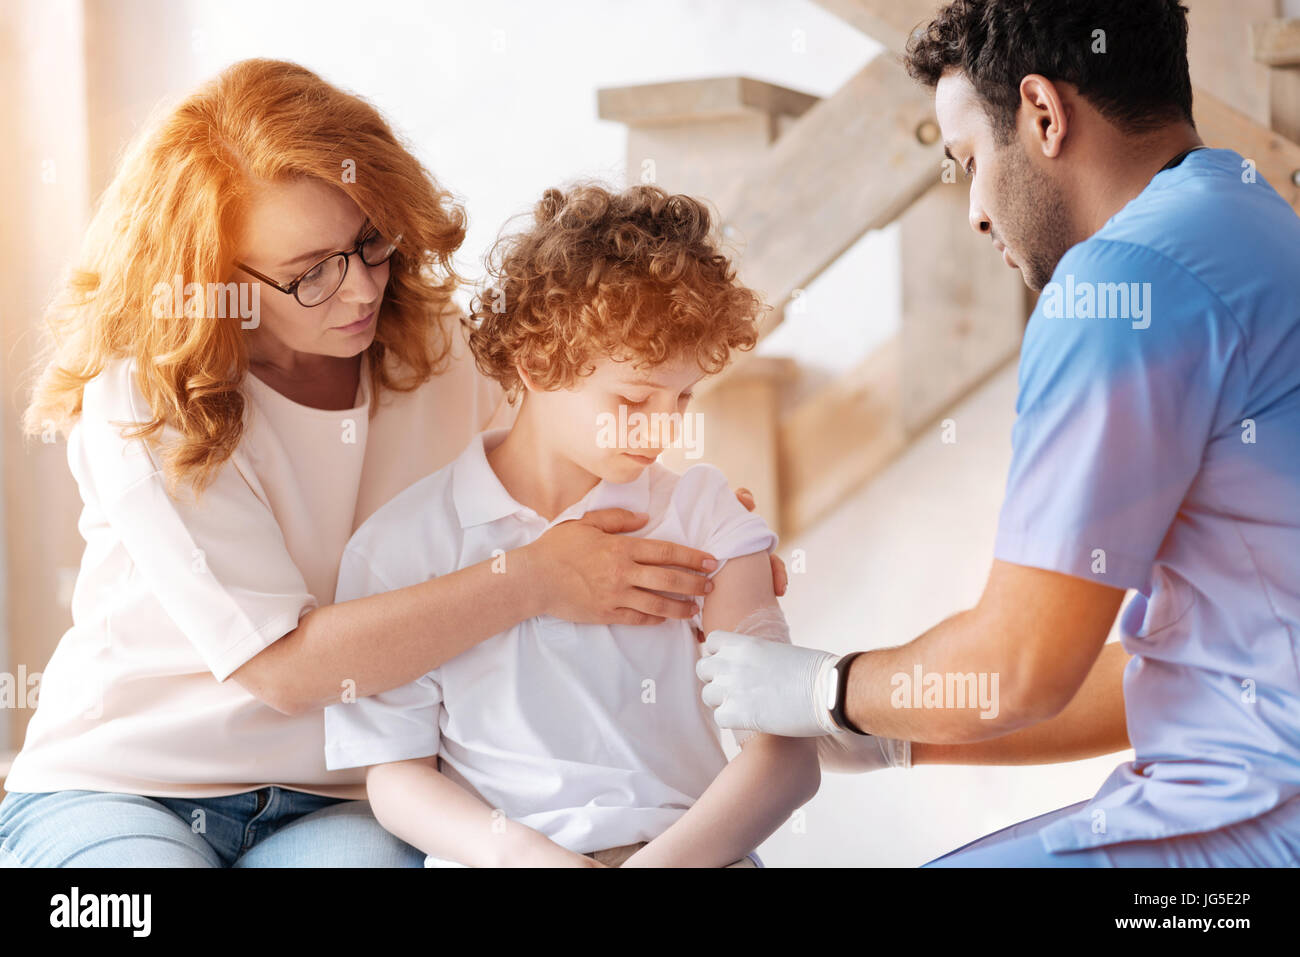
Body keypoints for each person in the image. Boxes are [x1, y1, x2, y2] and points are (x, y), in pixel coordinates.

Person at [0, 59, 784, 868]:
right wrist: (535, 577)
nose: (360, 291)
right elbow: (283, 667)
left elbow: (570, 431)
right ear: (207, 277)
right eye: (310, 274)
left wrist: (700, 529)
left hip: (340, 791)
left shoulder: (436, 348)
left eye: (370, 241)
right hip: (127, 779)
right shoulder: (148, 391)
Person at [696, 0, 1300, 866]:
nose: (976, 210)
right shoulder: (1255, 224)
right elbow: (1168, 677)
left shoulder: (1117, 284)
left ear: (1043, 115)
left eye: (969, 160)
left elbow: (1021, 662)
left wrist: (826, 687)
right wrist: (891, 732)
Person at [322, 183, 819, 868]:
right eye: (633, 398)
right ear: (536, 363)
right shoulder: (400, 546)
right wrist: (531, 858)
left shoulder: (706, 515)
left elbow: (787, 757)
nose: (666, 429)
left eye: (682, 398)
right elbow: (397, 778)